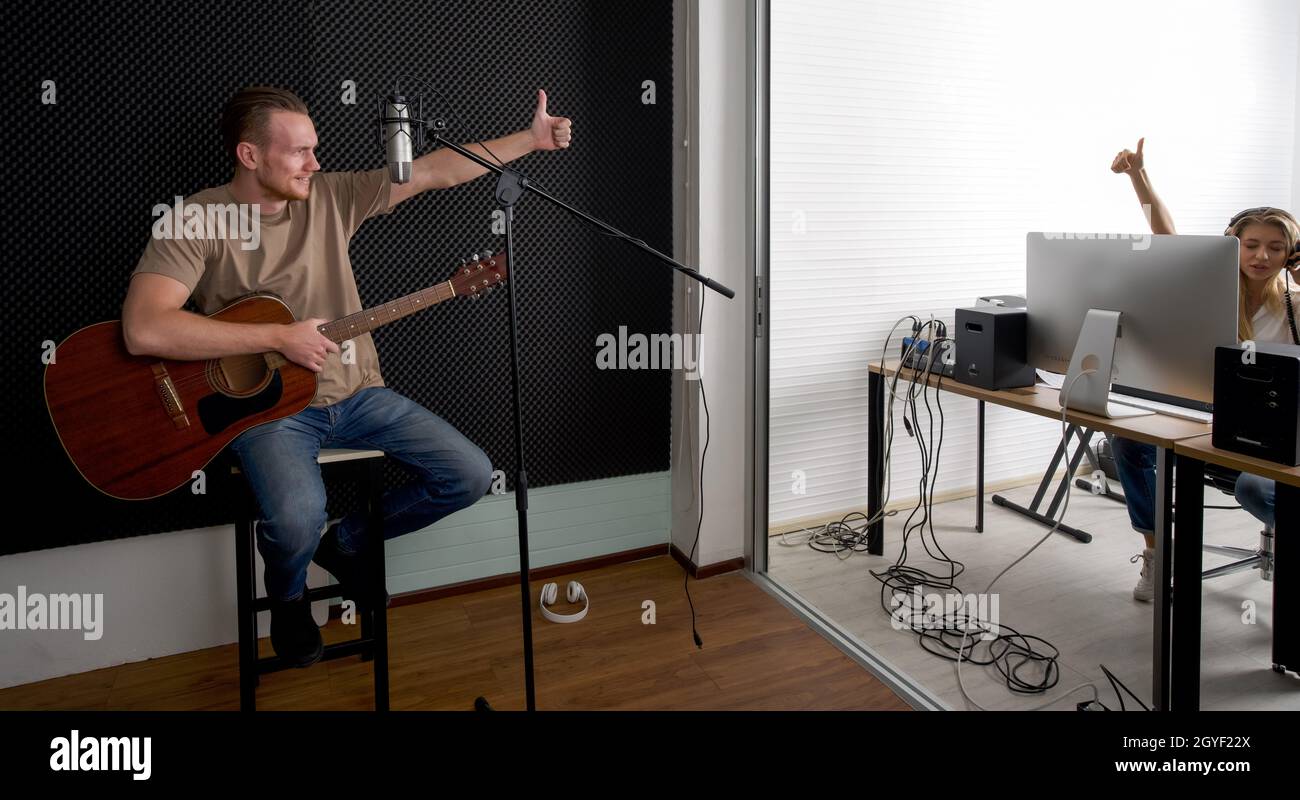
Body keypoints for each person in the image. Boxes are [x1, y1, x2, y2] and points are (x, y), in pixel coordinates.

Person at [122, 86, 574, 665]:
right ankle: (287, 595)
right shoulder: (197, 219)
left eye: (316, 149)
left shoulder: (330, 197)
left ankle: (348, 543)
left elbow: (436, 170)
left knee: (469, 473)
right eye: (299, 152)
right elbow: (144, 329)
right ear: (250, 156)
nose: (315, 162)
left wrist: (530, 140)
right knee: (295, 519)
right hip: (270, 414)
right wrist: (276, 337)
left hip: (360, 398)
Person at [1108, 137, 1299, 602]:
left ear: (1291, 254)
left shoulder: (1294, 306)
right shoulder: (1212, 292)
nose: (1262, 256)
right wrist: (1138, 177)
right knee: (1129, 442)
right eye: (1251, 244)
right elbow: (1168, 240)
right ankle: (1158, 555)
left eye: (1276, 248)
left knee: (1257, 487)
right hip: (1212, 416)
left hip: (1274, 431)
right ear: (1231, 245)